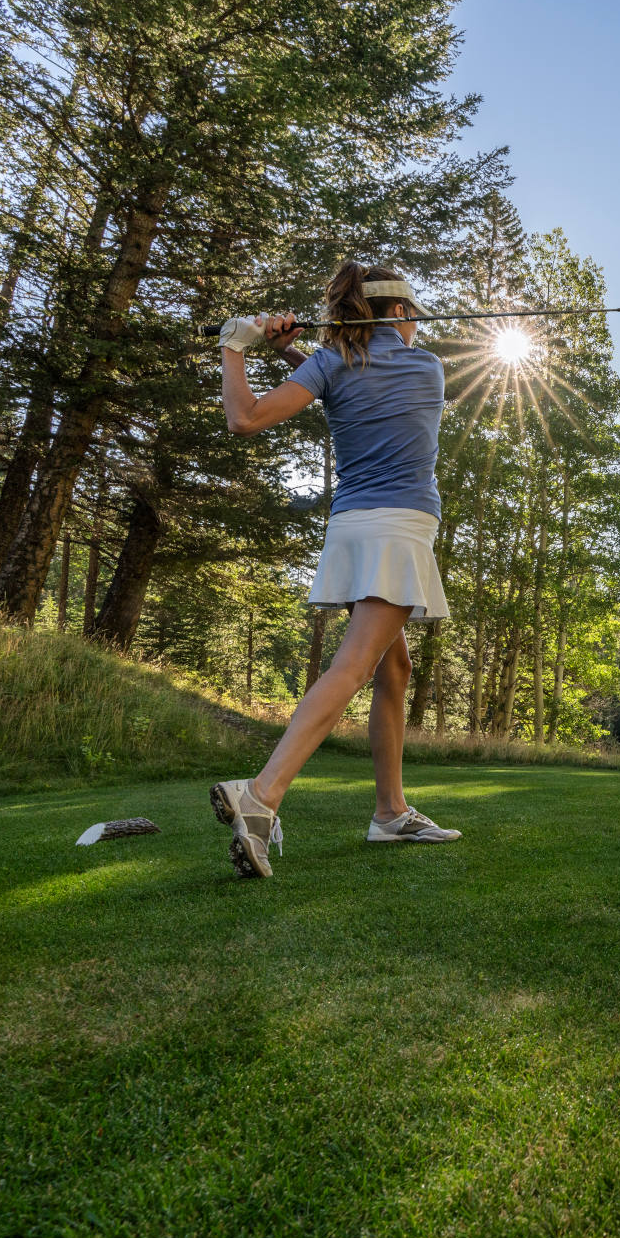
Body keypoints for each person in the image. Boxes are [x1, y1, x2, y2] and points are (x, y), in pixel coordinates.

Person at [210, 262, 462, 879]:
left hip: (351, 528)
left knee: (393, 667)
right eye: (413, 315)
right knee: (355, 666)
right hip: (399, 529)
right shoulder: (427, 367)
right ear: (399, 313)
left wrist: (237, 349)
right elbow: (370, 377)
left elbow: (245, 417)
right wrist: (295, 351)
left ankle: (390, 811)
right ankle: (262, 796)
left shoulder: (329, 366)